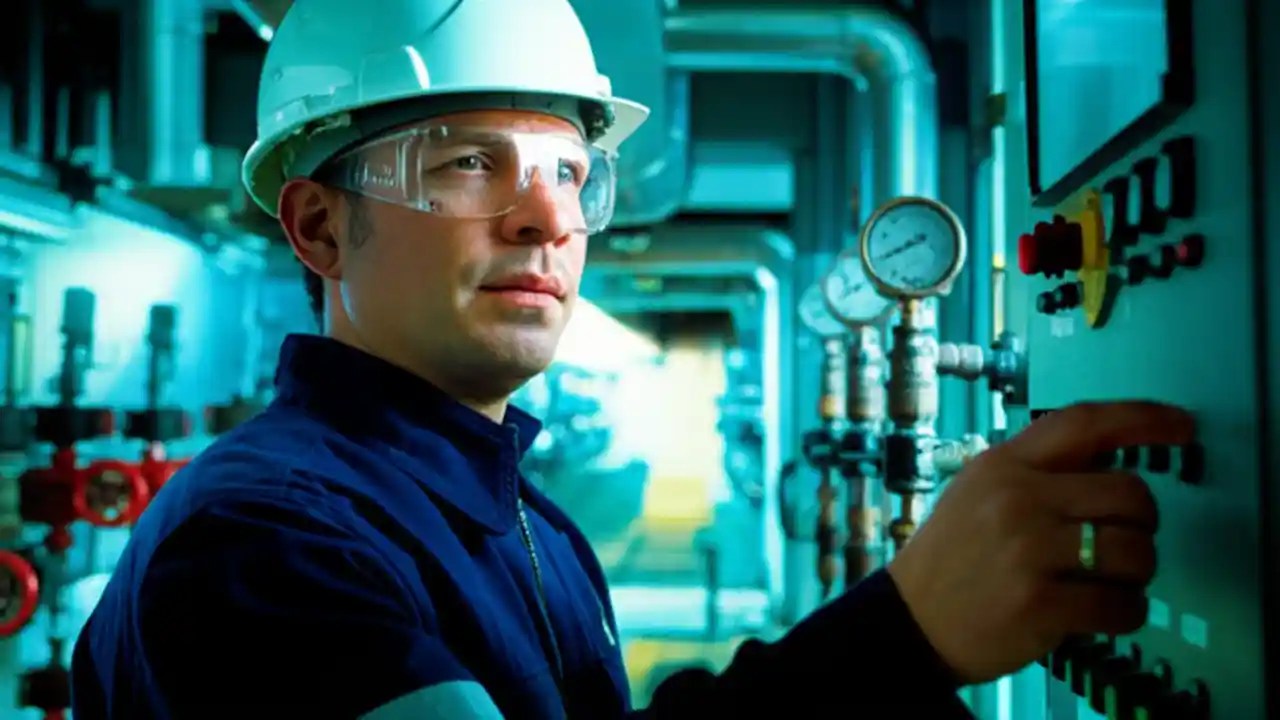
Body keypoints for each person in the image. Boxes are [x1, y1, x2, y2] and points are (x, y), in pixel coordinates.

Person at [68, 0, 1197, 717]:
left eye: (568, 174)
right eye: (467, 164)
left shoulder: (531, 521)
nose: (544, 220)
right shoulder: (265, 543)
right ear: (317, 228)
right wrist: (899, 640)